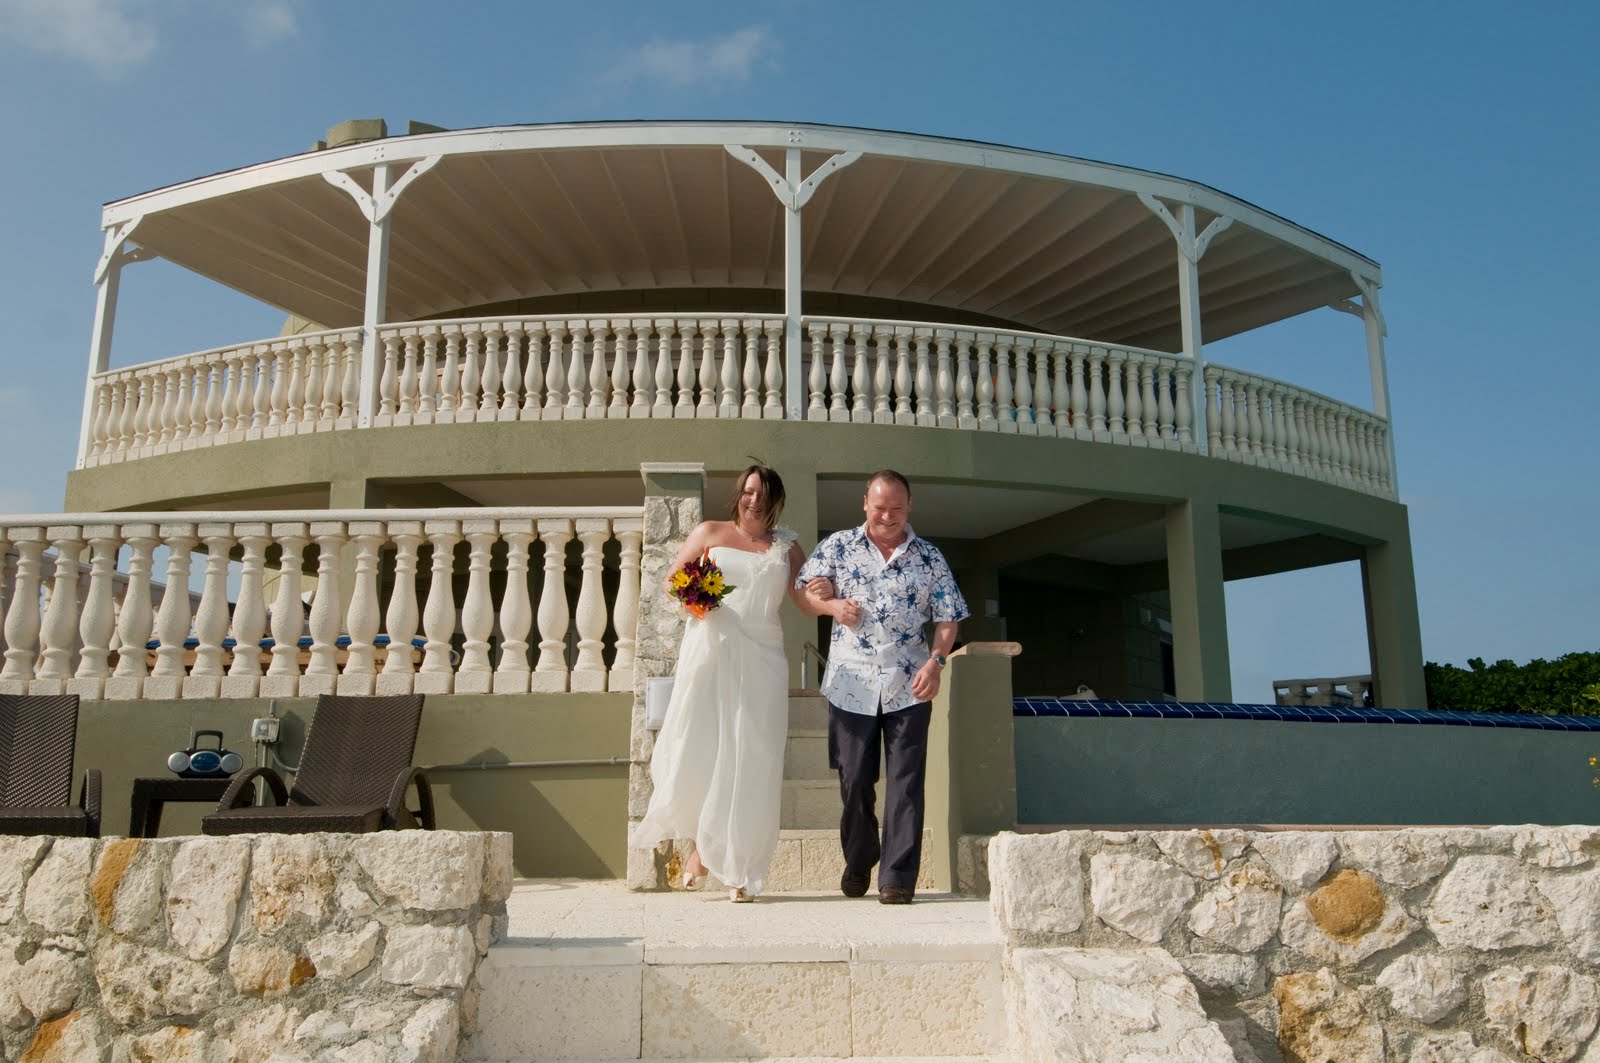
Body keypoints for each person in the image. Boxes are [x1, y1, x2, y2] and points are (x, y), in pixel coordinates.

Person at [630, 463, 825, 902]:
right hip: (712, 649)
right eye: (749, 491)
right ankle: (703, 848)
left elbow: (803, 599)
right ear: (739, 494)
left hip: (763, 656)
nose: (754, 500)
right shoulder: (710, 532)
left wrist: (830, 601)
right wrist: (697, 602)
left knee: (753, 756)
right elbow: (674, 581)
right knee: (706, 745)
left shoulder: (788, 547)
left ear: (776, 501)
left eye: (764, 494)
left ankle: (741, 870)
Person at [798, 470, 969, 904]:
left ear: (909, 506)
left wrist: (936, 662)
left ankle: (897, 878)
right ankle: (859, 860)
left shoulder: (929, 557)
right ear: (865, 504)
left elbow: (948, 618)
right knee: (855, 778)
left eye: (896, 508)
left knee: (906, 781)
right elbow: (802, 595)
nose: (888, 516)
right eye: (880, 508)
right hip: (850, 683)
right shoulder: (838, 546)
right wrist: (831, 605)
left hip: (909, 683)